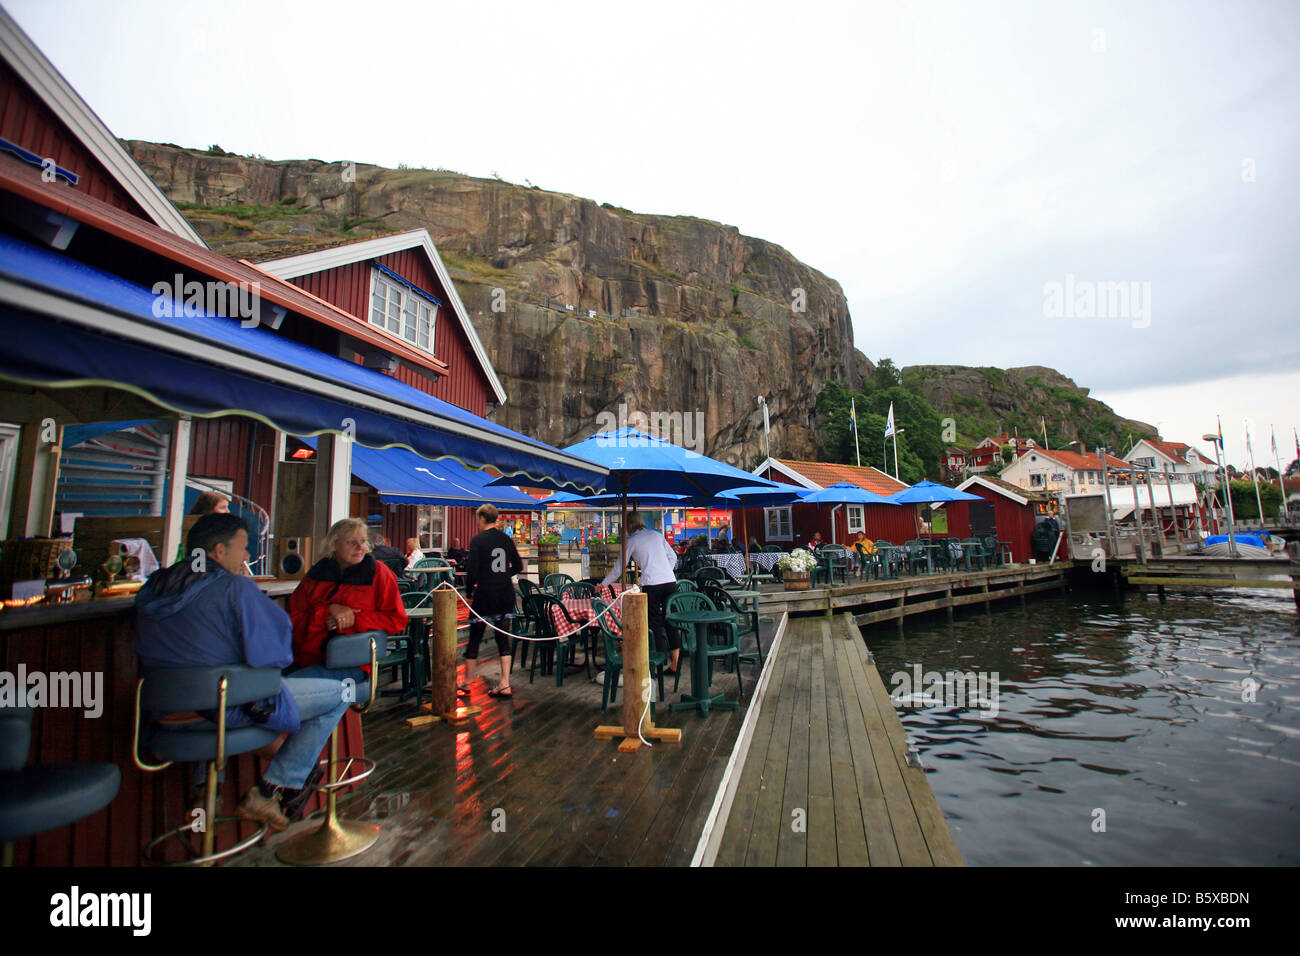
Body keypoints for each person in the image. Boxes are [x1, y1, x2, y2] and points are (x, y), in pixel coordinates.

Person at [134, 513, 352, 831]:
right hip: (225, 707)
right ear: (219, 551)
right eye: (243, 547)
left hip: (162, 714)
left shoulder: (154, 585)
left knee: (210, 684)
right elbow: (276, 654)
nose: (248, 556)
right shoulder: (235, 589)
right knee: (340, 691)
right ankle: (270, 789)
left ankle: (205, 793)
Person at [288, 518, 408, 685]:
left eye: (363, 541)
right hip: (308, 658)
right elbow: (291, 618)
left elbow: (397, 620)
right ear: (334, 544)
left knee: (284, 693)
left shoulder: (378, 573)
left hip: (353, 663)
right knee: (264, 689)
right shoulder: (317, 574)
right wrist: (328, 612)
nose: (360, 547)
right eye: (352, 542)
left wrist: (353, 618)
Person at [602, 514, 681, 674]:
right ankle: (675, 664)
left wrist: (602, 584)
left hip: (652, 584)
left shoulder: (631, 541)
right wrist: (665, 571)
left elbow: (619, 569)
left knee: (654, 623)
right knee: (670, 621)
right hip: (670, 582)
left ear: (629, 526)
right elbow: (673, 556)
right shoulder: (657, 535)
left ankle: (657, 666)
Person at [464, 504, 523, 698]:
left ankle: (466, 681)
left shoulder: (478, 541)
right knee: (502, 637)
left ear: (482, 519)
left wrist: (469, 591)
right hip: (505, 591)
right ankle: (505, 682)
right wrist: (504, 574)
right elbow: (518, 565)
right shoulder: (506, 539)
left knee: (475, 636)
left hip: (485, 592)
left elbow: (471, 571)